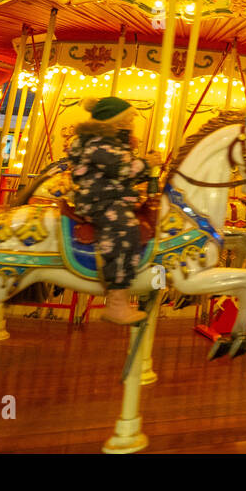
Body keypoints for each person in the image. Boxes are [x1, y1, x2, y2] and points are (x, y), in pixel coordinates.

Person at [68, 97, 157, 324]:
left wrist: (146, 169)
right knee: (124, 227)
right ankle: (116, 302)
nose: (134, 120)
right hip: (99, 199)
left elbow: (127, 170)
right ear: (116, 121)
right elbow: (121, 169)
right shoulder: (98, 141)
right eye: (130, 117)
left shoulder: (113, 141)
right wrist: (146, 163)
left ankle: (153, 282)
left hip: (114, 195)